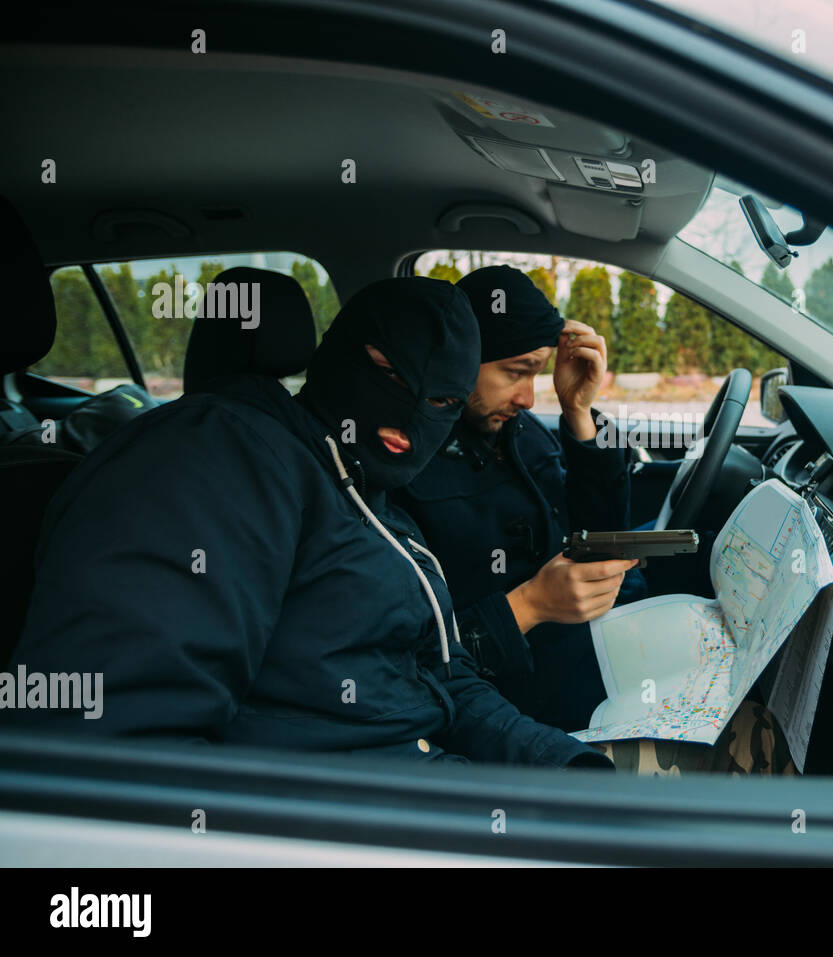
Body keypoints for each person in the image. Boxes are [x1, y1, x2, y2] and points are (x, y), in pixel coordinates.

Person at [6, 277, 614, 770]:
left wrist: (564, 770)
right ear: (349, 354)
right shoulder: (214, 458)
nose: (417, 419)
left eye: (443, 404)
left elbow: (435, 672)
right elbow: (112, 755)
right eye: (393, 373)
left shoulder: (367, 486)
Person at [393, 265, 645, 732]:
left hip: (593, 644)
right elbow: (412, 657)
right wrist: (529, 606)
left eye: (538, 372)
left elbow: (598, 536)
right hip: (513, 701)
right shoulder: (403, 463)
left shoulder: (523, 432)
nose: (530, 397)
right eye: (515, 372)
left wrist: (578, 412)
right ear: (460, 358)